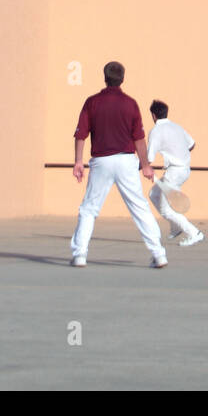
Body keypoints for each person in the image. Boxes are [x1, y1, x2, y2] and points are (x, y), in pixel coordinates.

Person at [70, 61, 167, 269]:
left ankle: (80, 255)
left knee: (89, 209)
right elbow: (139, 139)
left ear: (104, 77)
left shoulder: (92, 102)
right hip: (126, 162)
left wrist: (78, 161)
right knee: (139, 207)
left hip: (101, 162)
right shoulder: (130, 104)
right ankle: (159, 255)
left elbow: (80, 134)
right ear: (122, 79)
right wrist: (146, 165)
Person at [146, 100, 203, 246]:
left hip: (174, 173)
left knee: (166, 211)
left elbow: (149, 158)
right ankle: (176, 227)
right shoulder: (177, 127)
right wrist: (178, 153)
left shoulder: (156, 131)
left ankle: (194, 233)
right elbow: (192, 144)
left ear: (153, 115)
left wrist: (135, 168)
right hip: (184, 170)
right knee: (154, 194)